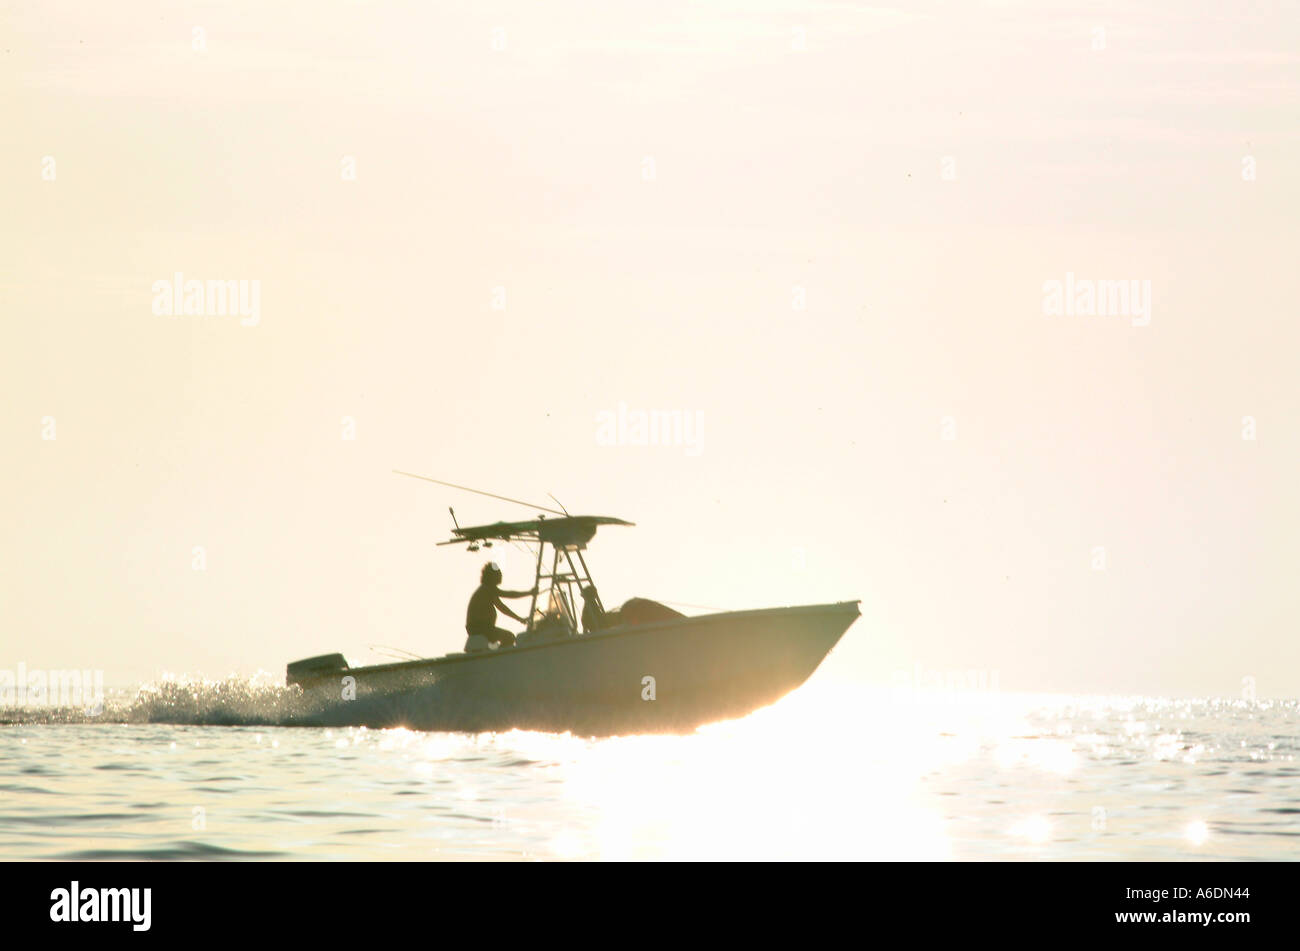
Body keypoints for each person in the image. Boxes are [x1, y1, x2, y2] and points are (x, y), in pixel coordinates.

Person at [464, 562, 536, 652]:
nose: (501, 576)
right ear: (492, 576)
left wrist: (519, 618)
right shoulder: (487, 589)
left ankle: (494, 652)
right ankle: (497, 656)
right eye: (498, 574)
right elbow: (509, 595)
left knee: (507, 637)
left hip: (480, 628)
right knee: (509, 637)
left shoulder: (488, 590)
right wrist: (529, 593)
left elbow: (502, 607)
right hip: (480, 628)